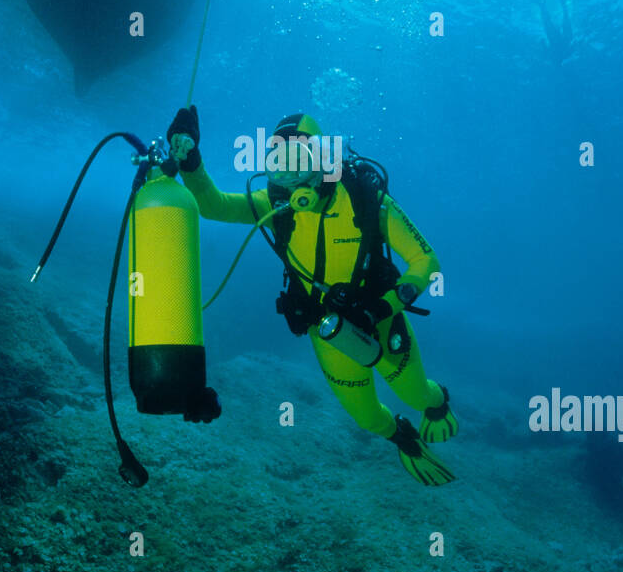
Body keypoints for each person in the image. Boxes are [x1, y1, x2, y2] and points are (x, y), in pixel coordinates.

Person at [166, 106, 459, 487]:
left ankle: (438, 405)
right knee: (367, 419)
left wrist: (382, 307)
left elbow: (426, 260)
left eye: (297, 162)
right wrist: (190, 160)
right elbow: (213, 205)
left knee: (418, 395)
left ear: (321, 158)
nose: (288, 177)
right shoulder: (277, 205)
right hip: (330, 334)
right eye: (277, 163)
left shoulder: (364, 199)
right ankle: (402, 435)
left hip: (383, 323)